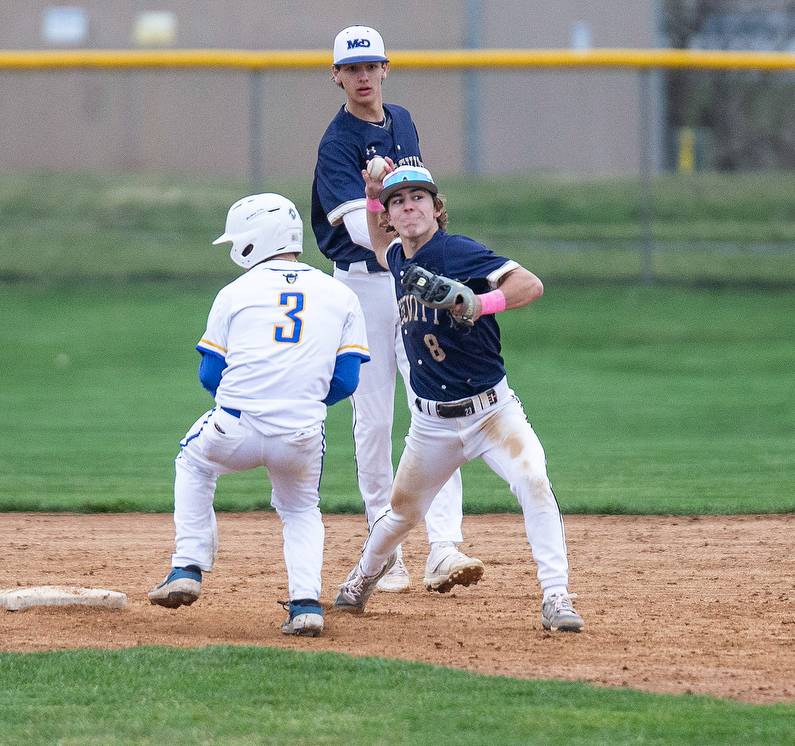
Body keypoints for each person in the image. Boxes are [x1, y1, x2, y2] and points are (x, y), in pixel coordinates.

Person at [332, 164, 585, 633]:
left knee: (533, 480)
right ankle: (361, 580)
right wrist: (371, 197)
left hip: (492, 413)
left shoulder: (457, 251)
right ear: (390, 215)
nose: (409, 206)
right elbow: (382, 243)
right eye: (399, 201)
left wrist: (475, 302)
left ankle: (557, 596)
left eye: (418, 198)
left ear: (437, 208)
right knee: (401, 514)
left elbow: (530, 285)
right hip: (432, 425)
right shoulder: (401, 260)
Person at [148, 193, 370, 638]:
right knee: (302, 510)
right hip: (302, 435)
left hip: (235, 426)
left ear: (253, 240)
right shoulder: (340, 294)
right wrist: (297, 397)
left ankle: (187, 567)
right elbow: (346, 381)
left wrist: (256, 394)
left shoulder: (235, 293)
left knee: (193, 463)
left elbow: (211, 373)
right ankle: (307, 604)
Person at [311, 24, 481, 594]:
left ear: (385, 69)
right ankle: (386, 551)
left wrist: (418, 238)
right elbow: (362, 229)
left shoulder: (402, 121)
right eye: (351, 69)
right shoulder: (336, 143)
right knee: (375, 420)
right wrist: (391, 226)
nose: (362, 77)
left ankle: (446, 547)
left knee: (436, 402)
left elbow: (417, 201)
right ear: (336, 75)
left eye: (371, 66)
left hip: (410, 276)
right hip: (361, 287)